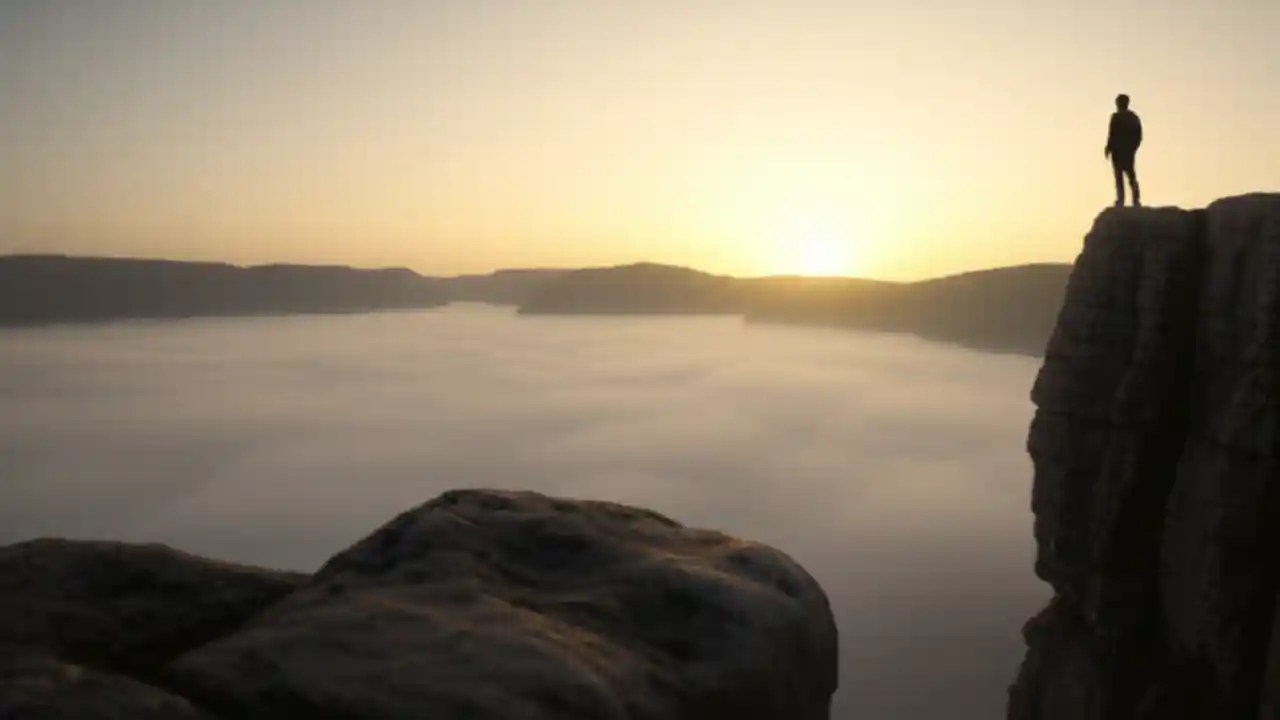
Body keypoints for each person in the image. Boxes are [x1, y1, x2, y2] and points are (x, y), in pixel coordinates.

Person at [1105, 94, 1143, 207]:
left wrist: (1109, 147)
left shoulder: (1120, 117)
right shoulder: (1132, 118)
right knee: (1126, 176)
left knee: (1125, 176)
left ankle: (1126, 200)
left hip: (1122, 151)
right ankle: (1130, 200)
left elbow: (1112, 135)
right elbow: (1112, 135)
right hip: (1122, 151)